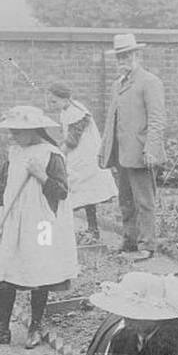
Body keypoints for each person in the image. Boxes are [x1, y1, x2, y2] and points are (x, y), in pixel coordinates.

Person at [0, 106, 78, 349]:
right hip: (13, 220)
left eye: (19, 131)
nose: (14, 135)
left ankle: (35, 326)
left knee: (38, 272)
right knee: (6, 270)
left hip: (41, 222)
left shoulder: (51, 154)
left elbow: (62, 192)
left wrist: (40, 175)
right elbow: (2, 187)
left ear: (34, 130)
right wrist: (0, 211)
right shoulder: (14, 153)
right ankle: (2, 329)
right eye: (12, 130)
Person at [99, 32, 165, 256]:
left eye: (126, 55)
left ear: (136, 54)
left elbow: (157, 119)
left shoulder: (149, 81)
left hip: (141, 152)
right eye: (119, 57)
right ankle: (130, 241)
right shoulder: (117, 84)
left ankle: (148, 245)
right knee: (125, 200)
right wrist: (104, 146)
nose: (122, 60)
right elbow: (111, 118)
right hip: (121, 152)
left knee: (144, 202)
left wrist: (151, 149)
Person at [48, 82, 118, 242]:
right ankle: (90, 229)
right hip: (77, 158)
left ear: (65, 99)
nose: (52, 105)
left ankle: (89, 230)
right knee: (81, 195)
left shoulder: (77, 113)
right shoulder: (66, 111)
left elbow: (72, 141)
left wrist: (58, 154)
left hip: (86, 159)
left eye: (54, 101)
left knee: (83, 194)